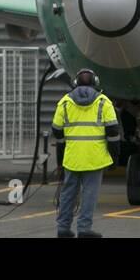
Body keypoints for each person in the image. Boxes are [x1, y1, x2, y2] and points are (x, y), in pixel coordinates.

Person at [51, 68, 120, 238]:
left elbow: (57, 131)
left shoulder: (65, 102)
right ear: (96, 82)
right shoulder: (104, 102)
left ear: (75, 83)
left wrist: (60, 159)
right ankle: (84, 229)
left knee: (68, 193)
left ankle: (63, 228)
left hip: (72, 157)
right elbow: (113, 132)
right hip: (95, 158)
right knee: (89, 194)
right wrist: (115, 158)